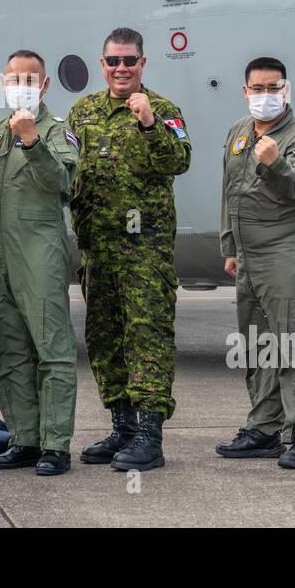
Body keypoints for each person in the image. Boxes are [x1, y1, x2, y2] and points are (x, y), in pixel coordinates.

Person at [69, 28, 191, 472]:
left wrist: (150, 126)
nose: (121, 69)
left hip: (144, 250)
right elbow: (68, 171)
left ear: (143, 64)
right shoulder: (83, 112)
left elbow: (179, 161)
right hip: (97, 249)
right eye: (113, 61)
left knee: (147, 335)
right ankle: (121, 425)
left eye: (130, 61)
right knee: (103, 337)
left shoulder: (162, 109)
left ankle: (148, 434)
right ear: (102, 65)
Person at [216, 57, 295, 470]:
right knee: (258, 345)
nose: (265, 96)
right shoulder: (238, 131)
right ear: (245, 91)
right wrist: (230, 246)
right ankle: (264, 427)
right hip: (249, 255)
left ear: (286, 91)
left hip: (289, 251)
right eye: (257, 89)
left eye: (273, 89)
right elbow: (229, 191)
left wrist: (275, 163)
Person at [0, 49, 80, 476]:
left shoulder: (57, 131)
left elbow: (63, 182)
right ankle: (24, 438)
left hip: (39, 251)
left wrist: (32, 141)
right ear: (3, 83)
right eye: (14, 78)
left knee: (52, 350)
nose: (21, 84)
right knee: (9, 349)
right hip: (0, 255)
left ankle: (55, 444)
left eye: (30, 78)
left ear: (45, 85)